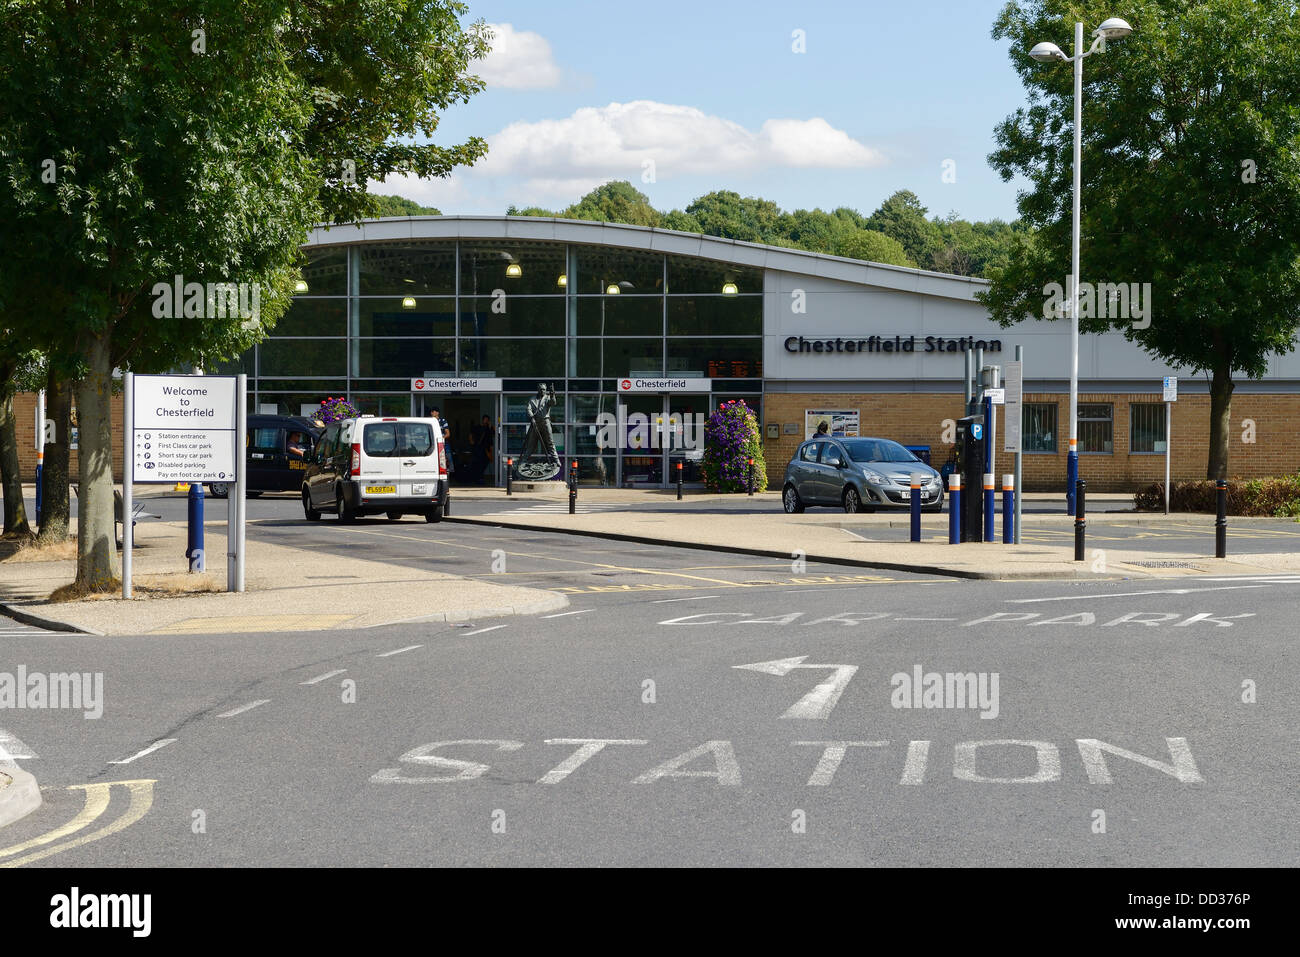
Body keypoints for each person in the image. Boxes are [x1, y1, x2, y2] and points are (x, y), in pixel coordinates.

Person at [470, 414, 495, 484]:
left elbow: (495, 433)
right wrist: (471, 441)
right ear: (482, 420)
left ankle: (480, 477)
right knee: (479, 463)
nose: (486, 421)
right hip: (479, 447)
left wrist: (490, 426)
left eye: (487, 420)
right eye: (485, 420)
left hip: (487, 448)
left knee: (486, 462)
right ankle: (478, 477)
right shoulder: (477, 427)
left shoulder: (489, 428)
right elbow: (471, 434)